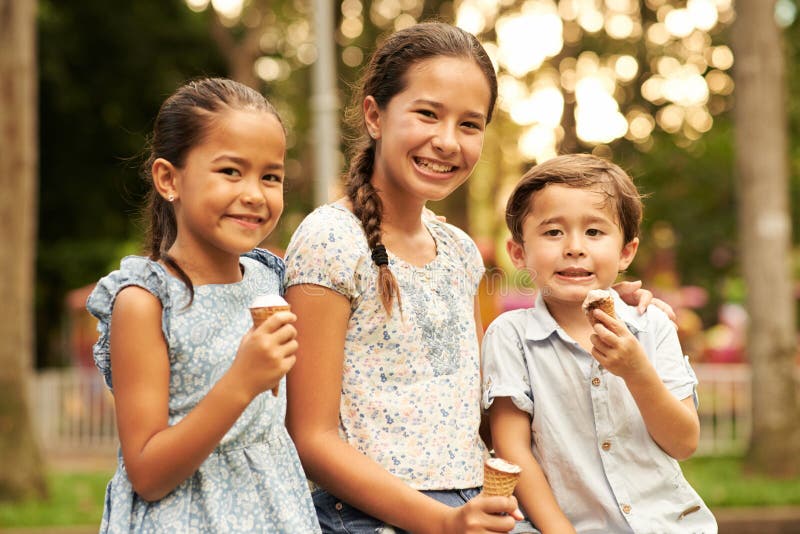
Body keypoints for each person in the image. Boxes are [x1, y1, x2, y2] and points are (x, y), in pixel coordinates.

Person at [283, 23, 662, 534]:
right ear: (375, 115)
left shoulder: (459, 251)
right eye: (427, 114)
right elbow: (311, 437)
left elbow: (477, 395)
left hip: (477, 503)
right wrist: (443, 523)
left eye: (469, 124)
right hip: (368, 516)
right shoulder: (331, 239)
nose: (446, 141)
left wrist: (602, 300)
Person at [86, 77, 321, 533]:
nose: (255, 193)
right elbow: (147, 473)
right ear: (168, 178)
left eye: (270, 176)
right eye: (231, 171)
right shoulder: (145, 302)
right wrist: (242, 381)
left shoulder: (270, 279)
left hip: (277, 511)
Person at [482, 154, 717, 533]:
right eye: (553, 232)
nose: (574, 247)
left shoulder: (653, 326)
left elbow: (684, 443)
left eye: (594, 232)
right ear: (519, 253)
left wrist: (637, 372)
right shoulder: (511, 336)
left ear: (626, 252)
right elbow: (513, 451)